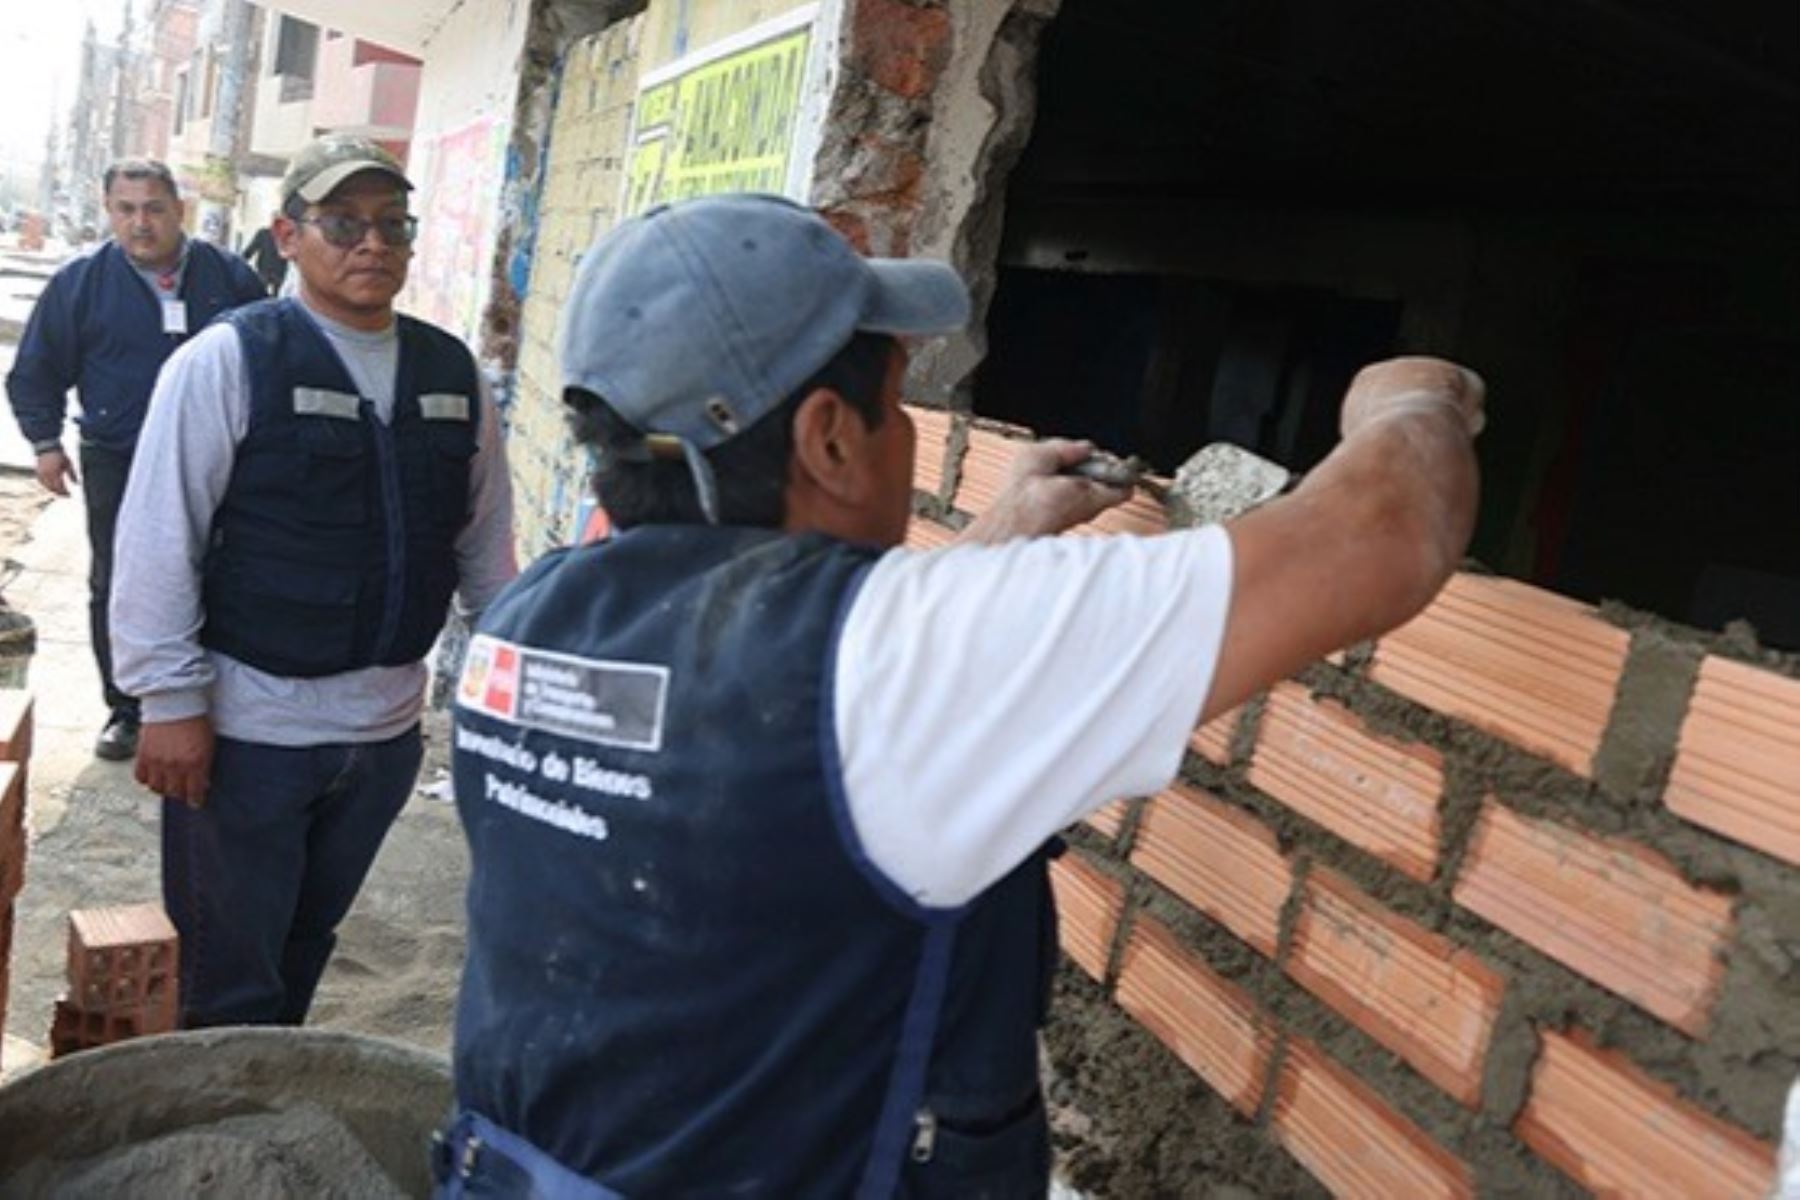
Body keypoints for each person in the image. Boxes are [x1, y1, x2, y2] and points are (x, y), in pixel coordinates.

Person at [440, 195, 1482, 1197]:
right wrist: (1408, 399)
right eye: (893, 404)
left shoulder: (533, 618)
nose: (905, 436)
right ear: (829, 440)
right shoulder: (888, 667)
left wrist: (1001, 535)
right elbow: (1386, 534)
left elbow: (804, 699)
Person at [110, 135, 517, 1028]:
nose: (372, 244)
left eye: (392, 226)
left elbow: (486, 544)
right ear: (288, 236)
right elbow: (156, 539)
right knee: (229, 971)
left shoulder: (453, 375)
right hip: (249, 729)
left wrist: (499, 684)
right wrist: (168, 703)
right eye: (343, 224)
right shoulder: (230, 361)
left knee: (305, 944)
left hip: (383, 736)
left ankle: (273, 1117)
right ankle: (219, 1139)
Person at [5, 159, 267, 761]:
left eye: (153, 208)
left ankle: (210, 702)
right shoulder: (81, 284)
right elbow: (35, 372)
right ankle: (127, 708)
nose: (140, 223)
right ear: (109, 212)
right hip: (117, 456)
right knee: (121, 582)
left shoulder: (229, 279)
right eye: (126, 210)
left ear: (179, 210)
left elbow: (269, 362)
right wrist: (45, 445)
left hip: (220, 458)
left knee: (219, 574)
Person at [240, 222, 287, 294]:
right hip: (268, 271)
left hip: (274, 272)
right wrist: (242, 261)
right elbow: (251, 249)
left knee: (262, 294)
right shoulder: (264, 234)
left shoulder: (283, 235)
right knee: (263, 293)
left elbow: (251, 248)